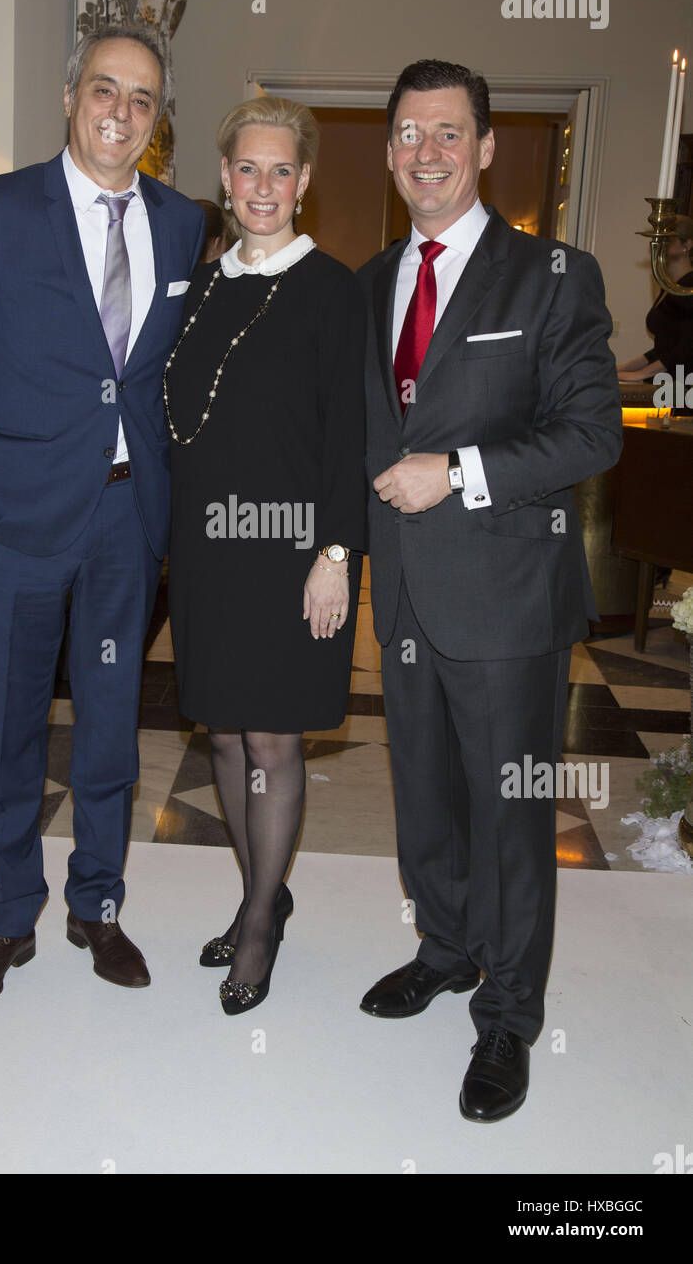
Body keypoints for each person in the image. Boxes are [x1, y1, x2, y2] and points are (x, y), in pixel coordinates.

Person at [0, 24, 205, 1011]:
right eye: (105, 90)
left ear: (157, 122)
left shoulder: (179, 224)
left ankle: (97, 904)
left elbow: (163, 377)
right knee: (13, 731)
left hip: (126, 522)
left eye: (142, 99)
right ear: (70, 95)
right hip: (15, 522)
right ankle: (8, 917)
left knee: (113, 726)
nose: (121, 111)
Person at [358, 59, 622, 1121]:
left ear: (483, 147)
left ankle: (508, 1017)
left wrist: (456, 473)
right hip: (407, 597)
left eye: (447, 131)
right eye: (408, 134)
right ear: (387, 154)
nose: (426, 150)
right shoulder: (371, 277)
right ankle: (445, 947)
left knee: (509, 818)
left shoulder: (554, 275)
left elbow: (590, 431)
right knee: (422, 792)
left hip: (507, 595)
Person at [165, 96, 366, 1014]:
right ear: (225, 176)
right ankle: (262, 893)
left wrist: (335, 553)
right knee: (224, 731)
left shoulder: (333, 289)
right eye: (248, 168)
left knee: (273, 741)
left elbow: (350, 437)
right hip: (211, 549)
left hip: (291, 548)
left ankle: (257, 927)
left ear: (305, 183)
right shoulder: (202, 285)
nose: (263, 186)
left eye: (281, 170)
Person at [617, 215, 693, 388]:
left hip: (683, 386)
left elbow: (686, 348)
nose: (660, 245)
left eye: (667, 239)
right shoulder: (671, 287)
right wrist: (624, 368)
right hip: (669, 381)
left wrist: (640, 375)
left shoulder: (689, 287)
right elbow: (664, 348)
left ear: (686, 246)